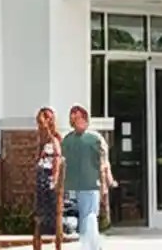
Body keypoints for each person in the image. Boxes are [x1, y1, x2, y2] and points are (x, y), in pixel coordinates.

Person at [60, 104, 105, 250]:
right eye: (73, 119)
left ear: (85, 119)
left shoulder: (94, 138)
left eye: (77, 118)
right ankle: (92, 246)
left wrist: (104, 183)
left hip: (90, 185)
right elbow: (63, 163)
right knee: (78, 219)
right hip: (73, 186)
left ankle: (91, 246)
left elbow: (103, 163)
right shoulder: (66, 140)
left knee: (89, 216)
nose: (75, 121)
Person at [32, 107, 63, 250]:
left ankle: (57, 245)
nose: (39, 126)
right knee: (38, 218)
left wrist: (54, 181)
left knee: (54, 219)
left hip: (49, 181)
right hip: (41, 180)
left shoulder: (54, 139)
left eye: (41, 123)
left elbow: (57, 160)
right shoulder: (41, 141)